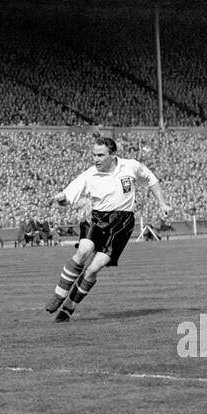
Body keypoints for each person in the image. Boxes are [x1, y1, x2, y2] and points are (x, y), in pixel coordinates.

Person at [43, 134, 169, 322]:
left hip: (122, 223)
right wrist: (61, 197)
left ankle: (68, 308)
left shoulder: (130, 166)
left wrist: (162, 203)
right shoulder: (89, 174)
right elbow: (70, 191)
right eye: (94, 155)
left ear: (113, 154)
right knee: (85, 249)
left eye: (100, 155)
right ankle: (59, 295)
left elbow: (151, 180)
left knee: (94, 268)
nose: (96, 159)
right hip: (97, 218)